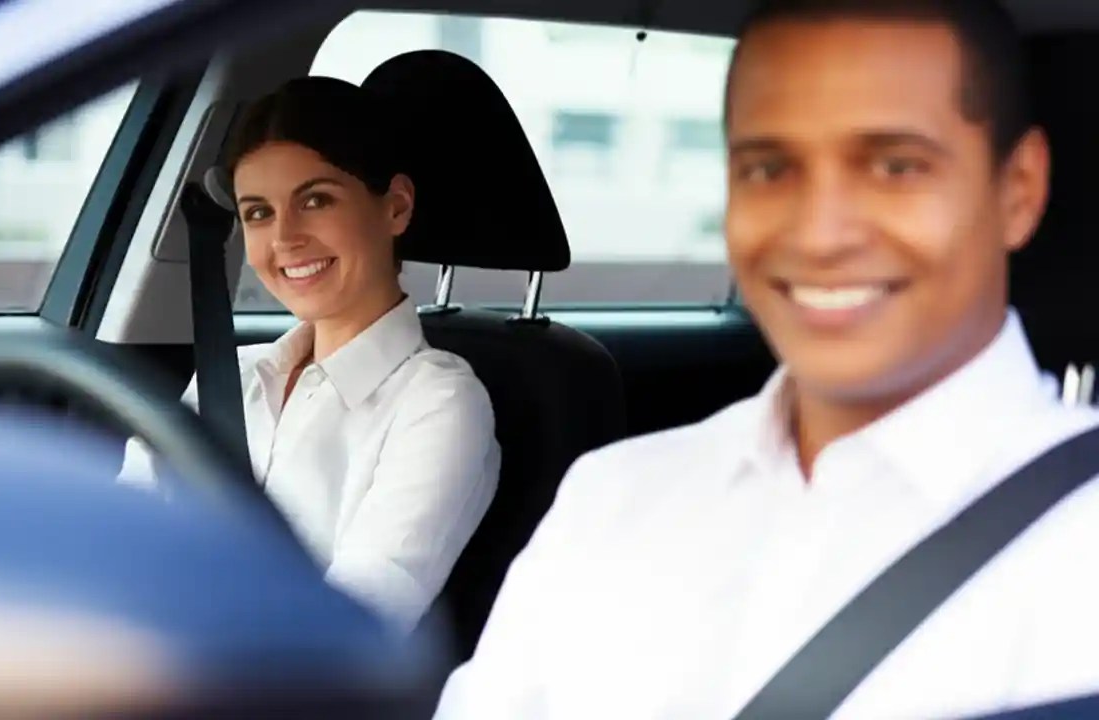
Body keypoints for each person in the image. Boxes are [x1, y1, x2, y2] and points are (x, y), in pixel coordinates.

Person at [434, 0, 1099, 717]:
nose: (819, 233)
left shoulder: (1076, 548)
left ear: (1018, 189)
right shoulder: (612, 499)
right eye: (768, 168)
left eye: (896, 167)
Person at [119, 76, 500, 633]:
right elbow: (121, 537)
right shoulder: (232, 378)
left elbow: (353, 625)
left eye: (315, 200)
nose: (285, 239)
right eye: (258, 213)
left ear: (395, 207)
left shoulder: (438, 403)